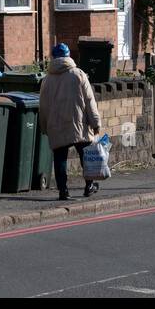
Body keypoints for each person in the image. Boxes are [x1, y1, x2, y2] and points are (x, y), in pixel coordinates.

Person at [38, 43, 102, 200]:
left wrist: (44, 126)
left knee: (60, 159)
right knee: (85, 156)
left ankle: (63, 191)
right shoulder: (78, 74)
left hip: (57, 124)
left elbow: (43, 106)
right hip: (79, 123)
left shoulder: (47, 80)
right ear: (68, 56)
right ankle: (89, 186)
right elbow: (89, 100)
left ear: (53, 57)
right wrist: (96, 123)